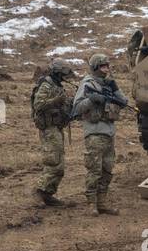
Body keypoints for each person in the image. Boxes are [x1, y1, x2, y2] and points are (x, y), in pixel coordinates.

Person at [71, 52, 125, 215]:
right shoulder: (87, 84)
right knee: (94, 169)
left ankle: (102, 201)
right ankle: (91, 203)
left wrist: (115, 88)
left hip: (109, 132)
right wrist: (92, 100)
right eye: (102, 66)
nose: (106, 69)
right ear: (95, 67)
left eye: (107, 66)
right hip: (94, 132)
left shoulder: (109, 83)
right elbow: (76, 108)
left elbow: (123, 102)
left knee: (107, 169)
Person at [30, 60, 76, 207]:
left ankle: (47, 194)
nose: (65, 77)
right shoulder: (46, 85)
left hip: (57, 128)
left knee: (60, 165)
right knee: (53, 162)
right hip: (49, 129)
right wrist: (57, 100)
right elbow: (38, 105)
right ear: (57, 73)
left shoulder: (57, 86)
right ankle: (39, 191)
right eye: (63, 74)